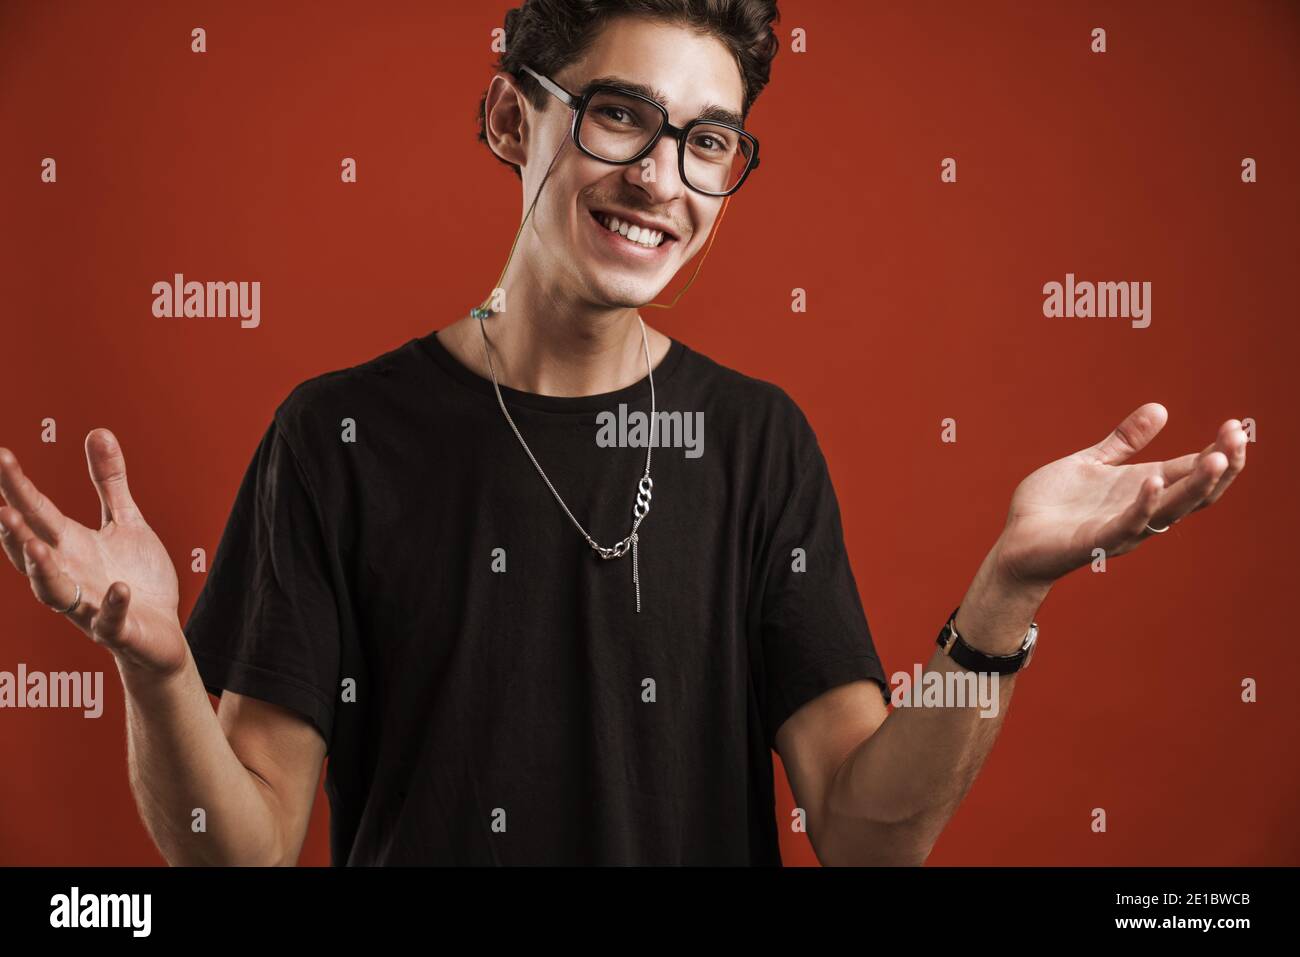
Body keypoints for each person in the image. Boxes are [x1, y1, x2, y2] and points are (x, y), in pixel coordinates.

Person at [0, 0, 1247, 866]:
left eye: (707, 143)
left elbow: (869, 836)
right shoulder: (337, 436)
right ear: (510, 120)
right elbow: (249, 850)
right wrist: (159, 673)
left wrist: (1002, 603)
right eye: (617, 116)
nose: (662, 178)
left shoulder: (759, 441)